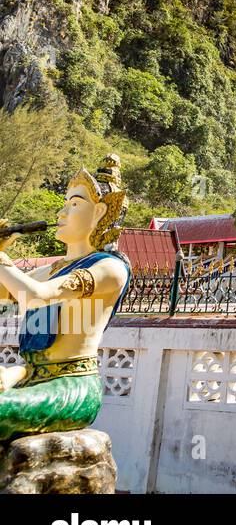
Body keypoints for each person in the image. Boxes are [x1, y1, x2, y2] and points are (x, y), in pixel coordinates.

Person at [0, 156, 131, 442]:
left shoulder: (109, 268)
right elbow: (3, 303)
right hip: (27, 377)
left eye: (74, 204)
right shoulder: (50, 269)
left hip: (72, 387)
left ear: (99, 212)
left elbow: (35, 297)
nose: (61, 213)